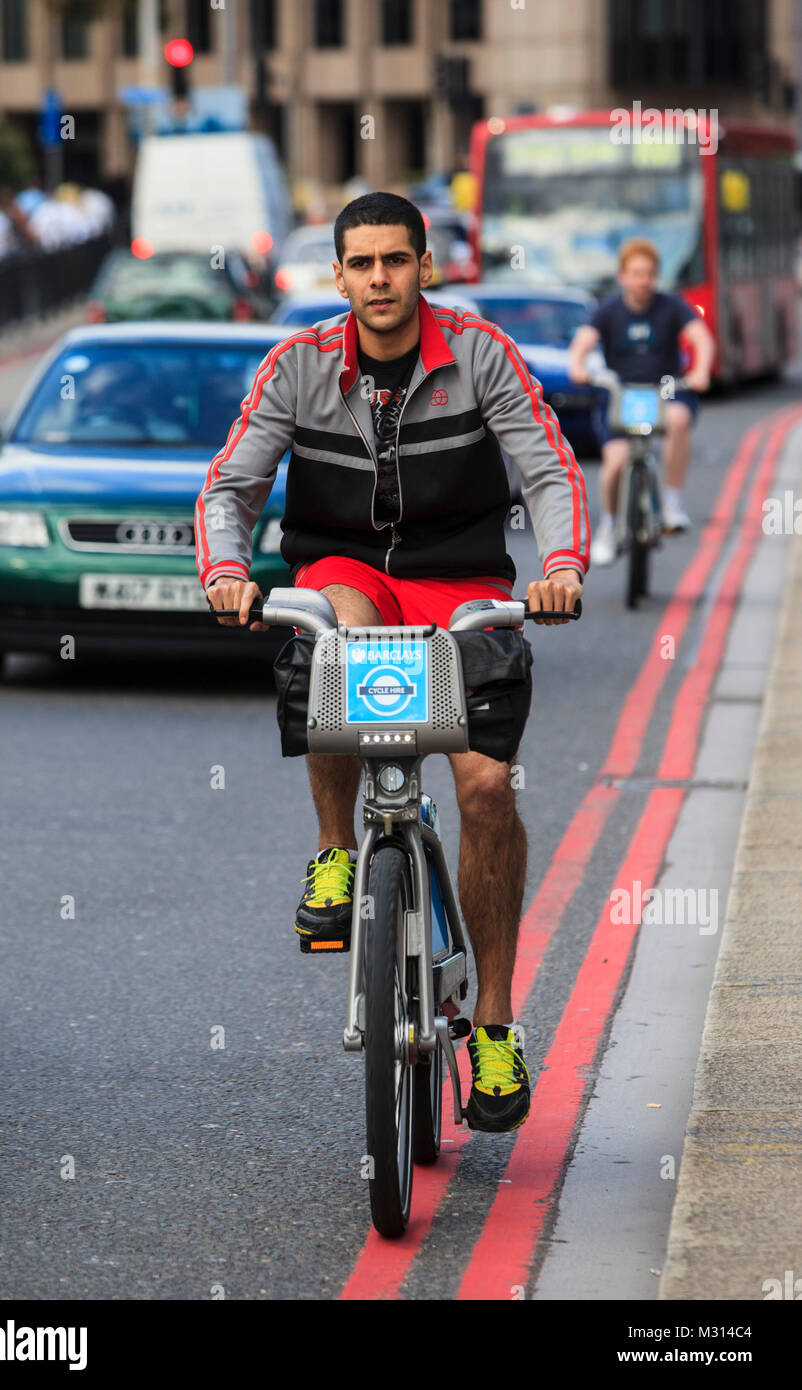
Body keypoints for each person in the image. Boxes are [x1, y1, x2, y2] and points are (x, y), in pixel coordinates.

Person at [197, 192, 589, 1134]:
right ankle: (337, 854)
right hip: (347, 571)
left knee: (487, 789)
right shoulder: (297, 365)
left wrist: (563, 565)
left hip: (463, 583)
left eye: (396, 261)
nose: (380, 279)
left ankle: (493, 1024)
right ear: (338, 276)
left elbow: (549, 470)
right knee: (332, 629)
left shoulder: (481, 353)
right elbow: (232, 483)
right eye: (361, 264)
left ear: (426, 266)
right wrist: (224, 569)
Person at [568, 238, 714, 564]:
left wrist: (701, 369)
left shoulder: (671, 305)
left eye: (648, 274)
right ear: (623, 277)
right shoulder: (607, 310)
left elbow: (700, 337)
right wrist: (577, 366)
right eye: (635, 274)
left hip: (665, 390)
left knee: (678, 420)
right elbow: (582, 343)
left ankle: (673, 505)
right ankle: (608, 525)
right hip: (620, 394)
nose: (643, 281)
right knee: (616, 462)